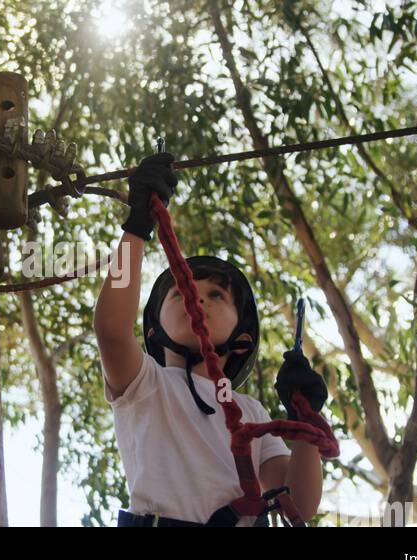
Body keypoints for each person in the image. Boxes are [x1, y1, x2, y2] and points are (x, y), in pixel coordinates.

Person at [93, 152, 330, 526]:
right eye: (179, 292)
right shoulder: (145, 384)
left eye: (217, 295)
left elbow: (298, 503)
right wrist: (137, 225)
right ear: (153, 329)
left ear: (242, 337)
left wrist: (305, 420)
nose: (196, 295)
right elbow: (110, 328)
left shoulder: (251, 412)